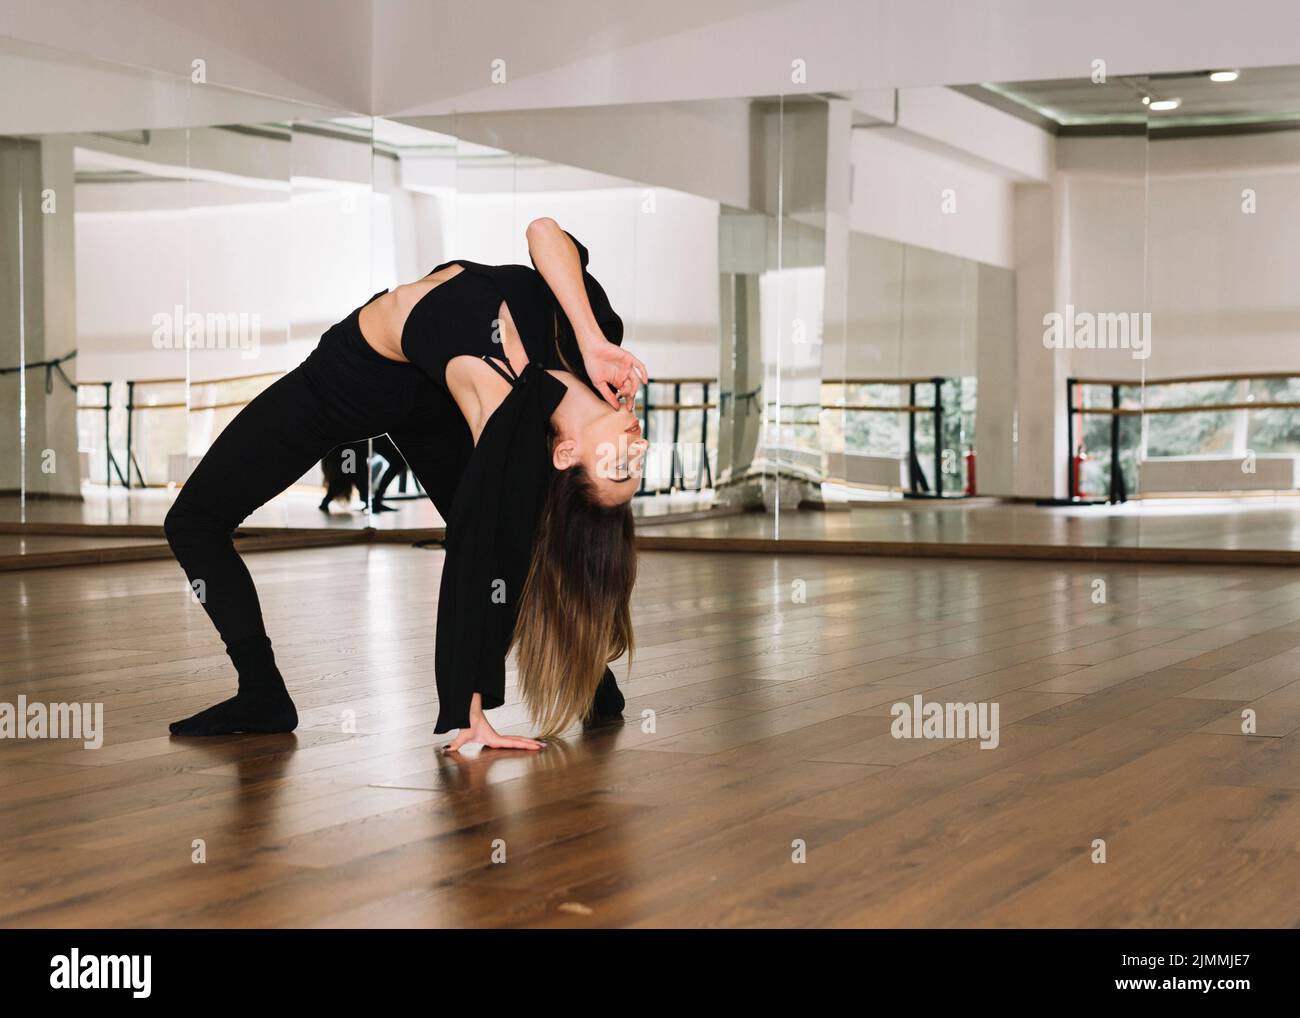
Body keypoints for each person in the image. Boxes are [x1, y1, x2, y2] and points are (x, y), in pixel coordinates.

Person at [164, 219, 648, 749]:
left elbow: (478, 550)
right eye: (635, 466)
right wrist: (591, 337)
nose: (637, 450)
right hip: (372, 379)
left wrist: (468, 706)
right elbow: (542, 232)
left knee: (513, 537)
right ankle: (263, 695)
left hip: (392, 391)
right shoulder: (593, 341)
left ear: (566, 452)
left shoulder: (499, 408)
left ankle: (262, 695)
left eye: (618, 468)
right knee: (194, 520)